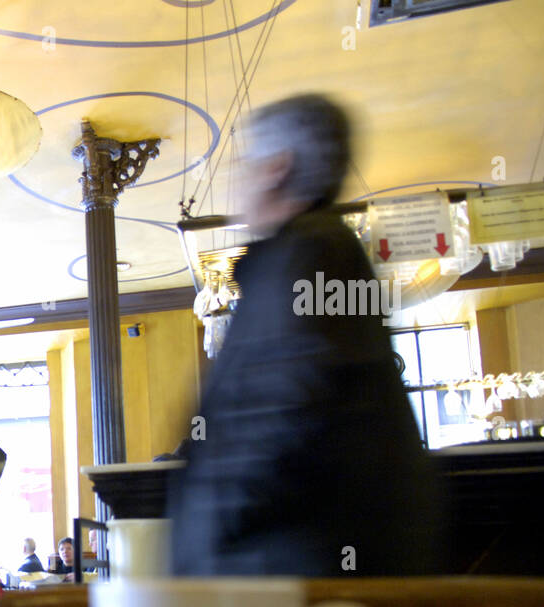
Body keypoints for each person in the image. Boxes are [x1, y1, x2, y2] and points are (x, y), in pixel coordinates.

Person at [167, 94, 441, 576]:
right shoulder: (321, 249)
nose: (242, 180)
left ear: (277, 167)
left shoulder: (310, 252)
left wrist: (204, 563)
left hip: (291, 582)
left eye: (247, 164)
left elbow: (269, 418)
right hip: (310, 574)